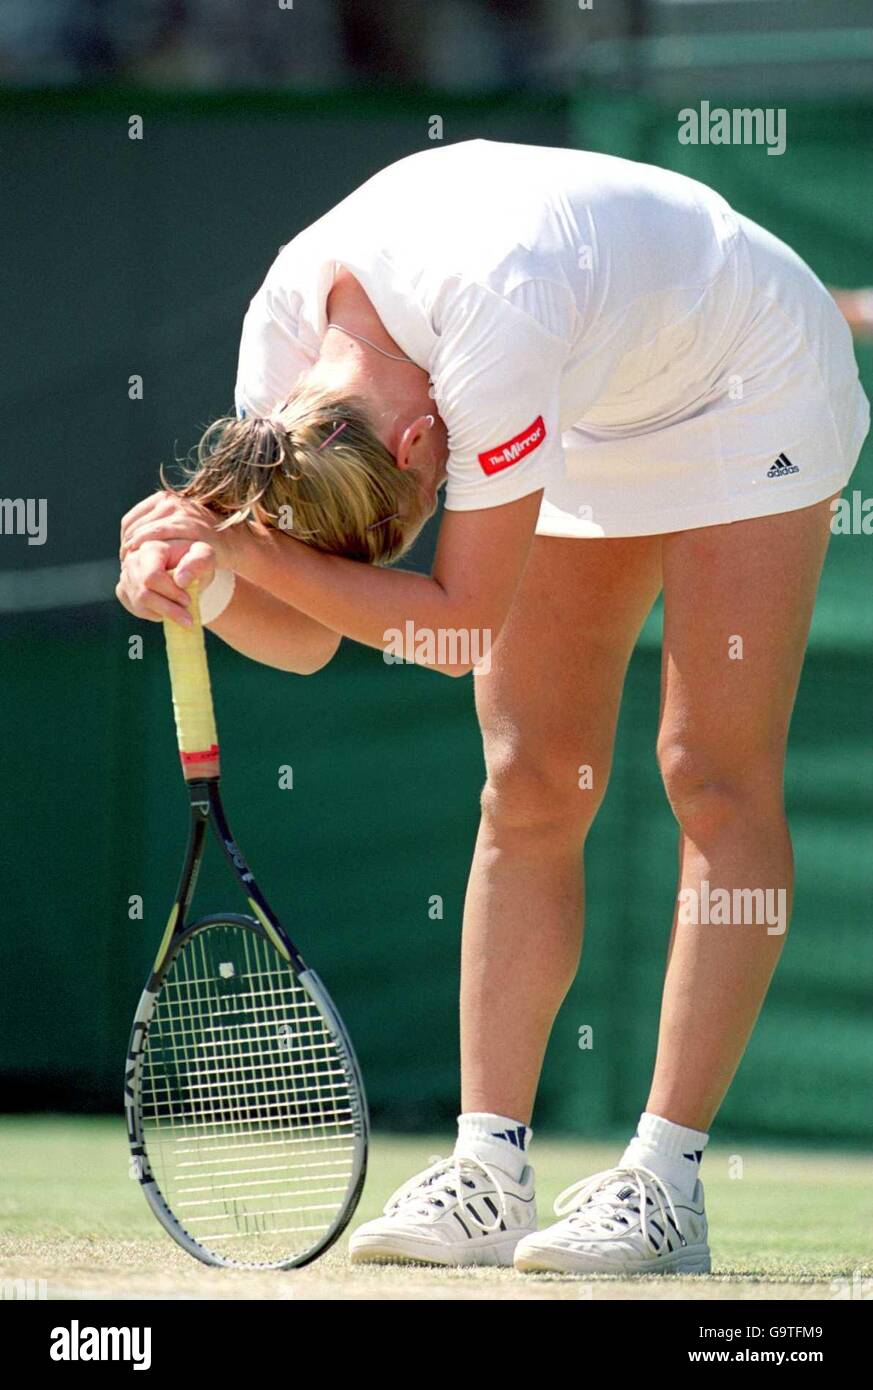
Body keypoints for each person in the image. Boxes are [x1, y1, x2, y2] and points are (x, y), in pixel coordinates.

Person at [117, 140, 869, 1275]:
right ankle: (487, 1168)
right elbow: (314, 635)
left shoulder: (493, 323)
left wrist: (247, 557)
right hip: (584, 385)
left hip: (745, 377)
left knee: (709, 770)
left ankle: (664, 1180)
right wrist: (203, 578)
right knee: (530, 777)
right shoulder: (284, 353)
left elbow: (453, 629)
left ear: (427, 451)